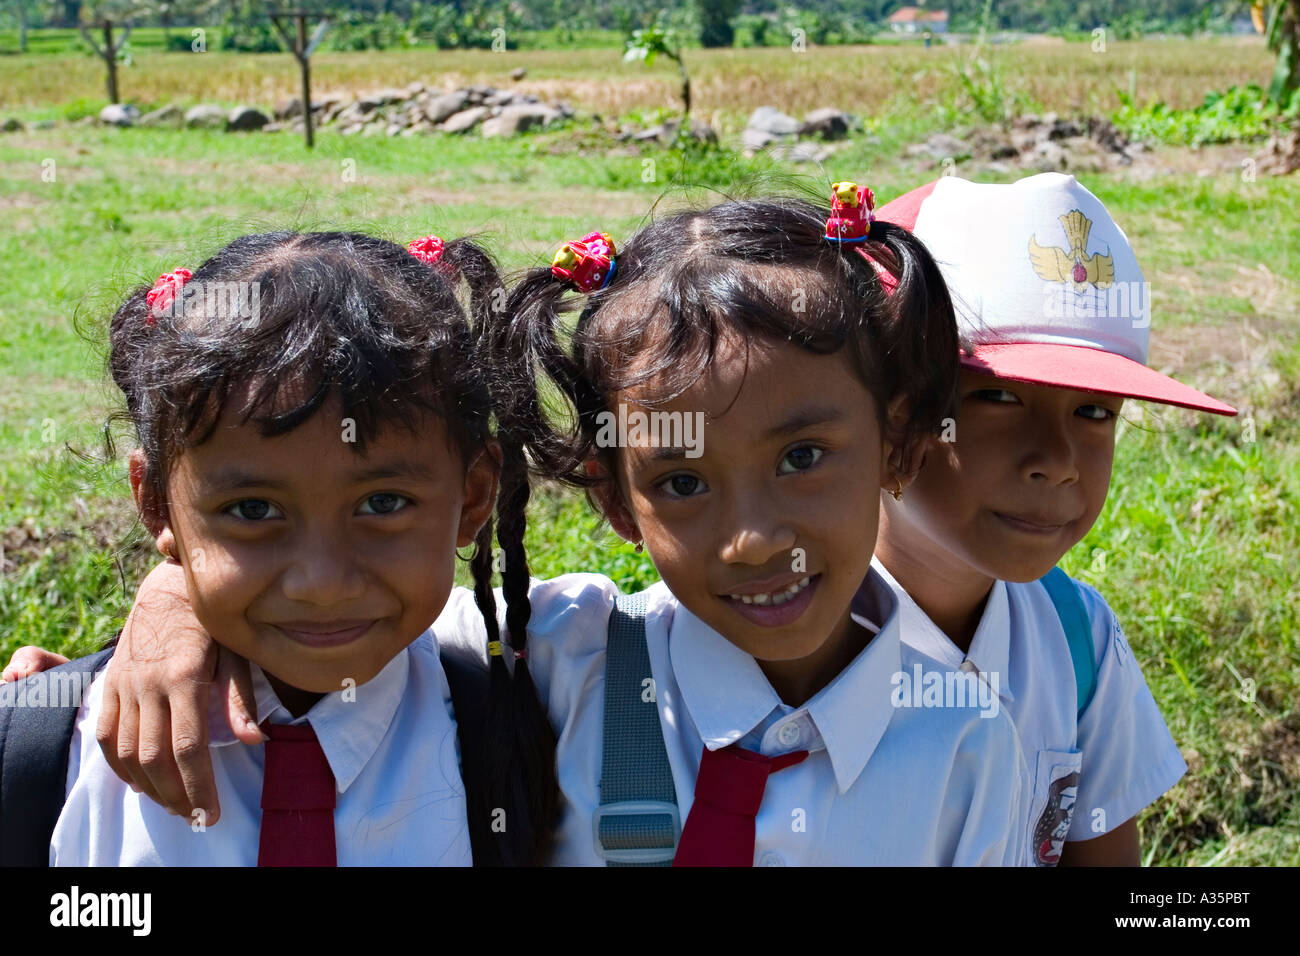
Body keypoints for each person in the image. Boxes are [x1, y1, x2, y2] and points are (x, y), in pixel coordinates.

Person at [8, 188, 1031, 865]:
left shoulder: (968, 741)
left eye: (801, 458)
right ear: (613, 498)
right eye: (679, 480)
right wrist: (171, 604)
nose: (751, 537)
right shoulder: (530, 667)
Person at [0, 230, 557, 866]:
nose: (321, 582)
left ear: (475, 496)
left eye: (382, 503)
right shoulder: (43, 755)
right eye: (253, 510)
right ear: (156, 503)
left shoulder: (535, 705)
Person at [872, 173, 1237, 866]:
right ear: (885, 403)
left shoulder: (1078, 640)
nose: (1058, 460)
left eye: (1094, 411)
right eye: (1000, 397)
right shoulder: (781, 630)